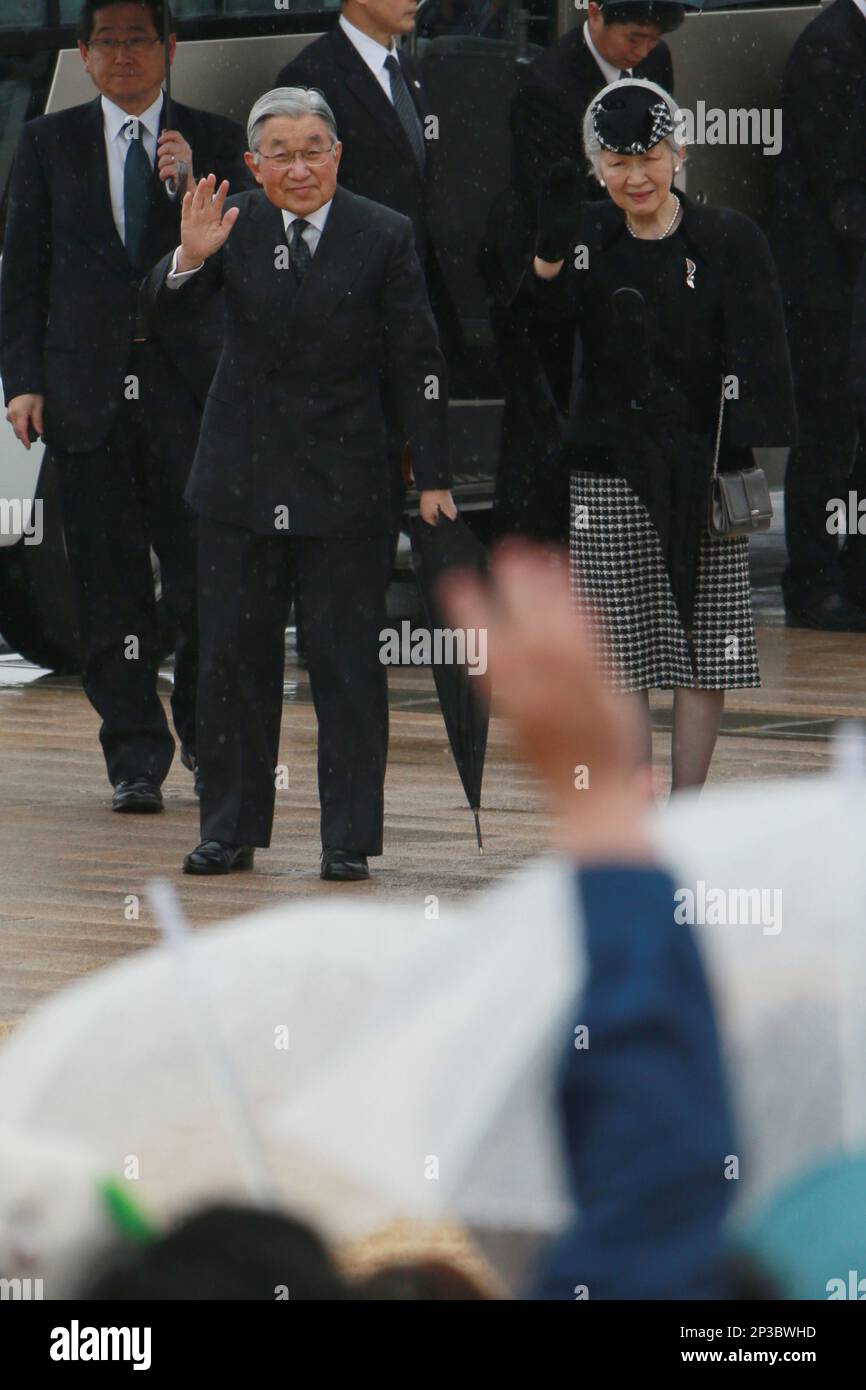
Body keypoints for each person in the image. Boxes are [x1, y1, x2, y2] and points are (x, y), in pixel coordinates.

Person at [140, 88, 455, 880]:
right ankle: (230, 829)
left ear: (338, 155)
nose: (299, 165)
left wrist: (434, 475)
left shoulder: (384, 234)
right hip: (239, 483)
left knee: (347, 665)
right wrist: (188, 262)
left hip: (346, 482)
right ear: (253, 162)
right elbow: (163, 318)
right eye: (279, 152)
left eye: (315, 148)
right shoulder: (228, 224)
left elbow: (418, 362)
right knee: (233, 664)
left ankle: (347, 839)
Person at [0, 0, 252, 812]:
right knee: (107, 585)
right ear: (82, 53)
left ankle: (210, 744)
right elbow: (24, 273)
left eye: (138, 38)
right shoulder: (47, 142)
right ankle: (135, 758)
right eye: (105, 41)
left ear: (170, 46)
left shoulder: (212, 137)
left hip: (189, 394)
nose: (123, 55)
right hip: (84, 393)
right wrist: (23, 382)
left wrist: (186, 190)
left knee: (201, 579)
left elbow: (244, 268)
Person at [528, 80, 796, 792]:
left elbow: (764, 358)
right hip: (608, 472)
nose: (635, 176)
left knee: (707, 646)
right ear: (595, 167)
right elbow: (535, 335)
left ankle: (690, 808)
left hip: (703, 468)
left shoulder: (730, 237)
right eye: (616, 163)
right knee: (620, 652)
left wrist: (725, 435)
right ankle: (634, 805)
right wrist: (548, 258)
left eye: (649, 156)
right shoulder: (583, 233)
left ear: (679, 152)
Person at [490, 1, 684, 544]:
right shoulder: (546, 85)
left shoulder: (657, 61)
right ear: (595, 13)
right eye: (634, 38)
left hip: (633, 256)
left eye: (651, 40)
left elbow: (661, 159)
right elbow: (549, 196)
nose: (643, 50)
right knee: (548, 427)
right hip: (558, 264)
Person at [770, 0, 866, 631]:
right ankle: (812, 578)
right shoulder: (827, 45)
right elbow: (837, 180)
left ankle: (851, 571)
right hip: (827, 287)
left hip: (848, 277)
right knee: (826, 434)